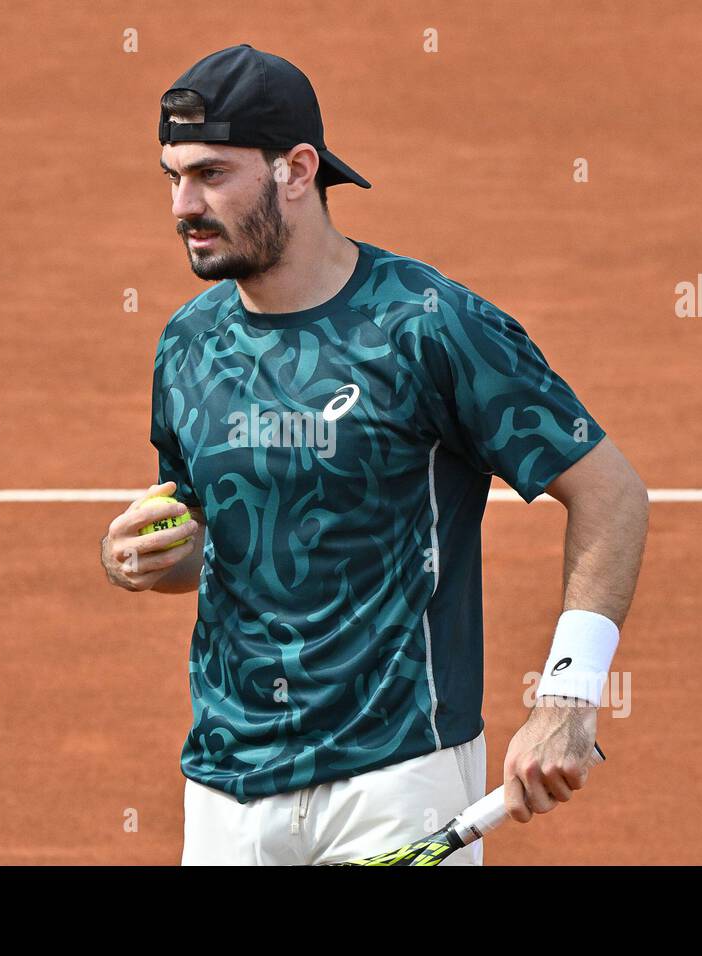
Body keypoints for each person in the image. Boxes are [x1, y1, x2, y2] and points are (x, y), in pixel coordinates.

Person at [100, 44, 649, 865]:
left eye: (212, 173)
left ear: (296, 168)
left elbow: (611, 493)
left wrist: (568, 696)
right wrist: (143, 560)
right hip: (225, 783)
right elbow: (203, 540)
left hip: (398, 775)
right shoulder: (189, 342)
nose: (184, 203)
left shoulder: (428, 326)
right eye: (172, 176)